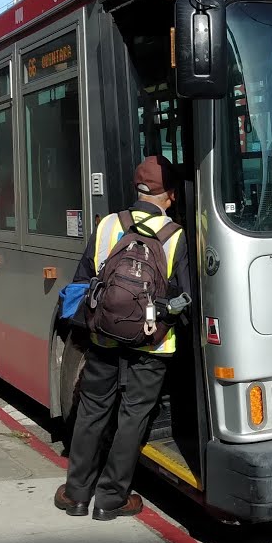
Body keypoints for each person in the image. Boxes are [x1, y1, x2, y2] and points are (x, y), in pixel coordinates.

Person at [55, 155, 191, 521]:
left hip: (104, 340)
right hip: (154, 343)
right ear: (171, 196)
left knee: (93, 409)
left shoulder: (108, 225)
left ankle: (77, 494)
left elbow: (83, 281)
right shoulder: (176, 235)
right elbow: (186, 298)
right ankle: (112, 498)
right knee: (134, 416)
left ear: (137, 188)